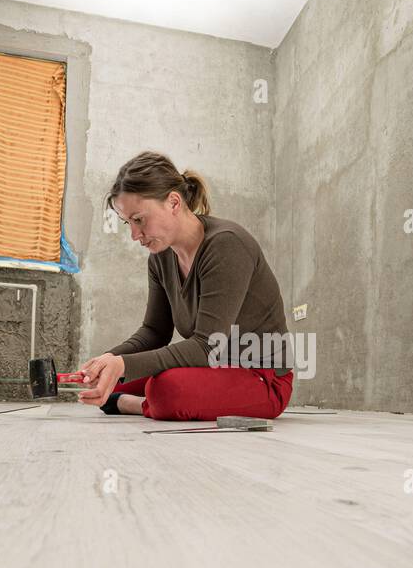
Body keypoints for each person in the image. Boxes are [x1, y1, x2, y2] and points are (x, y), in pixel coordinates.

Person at [78, 151, 292, 421]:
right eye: (127, 223)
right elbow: (154, 331)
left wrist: (124, 364)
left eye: (139, 219)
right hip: (214, 369)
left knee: (166, 388)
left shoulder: (227, 245)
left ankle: (135, 404)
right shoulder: (160, 258)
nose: (134, 235)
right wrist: (107, 360)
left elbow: (206, 346)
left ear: (174, 202)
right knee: (114, 380)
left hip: (263, 377)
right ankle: (141, 398)